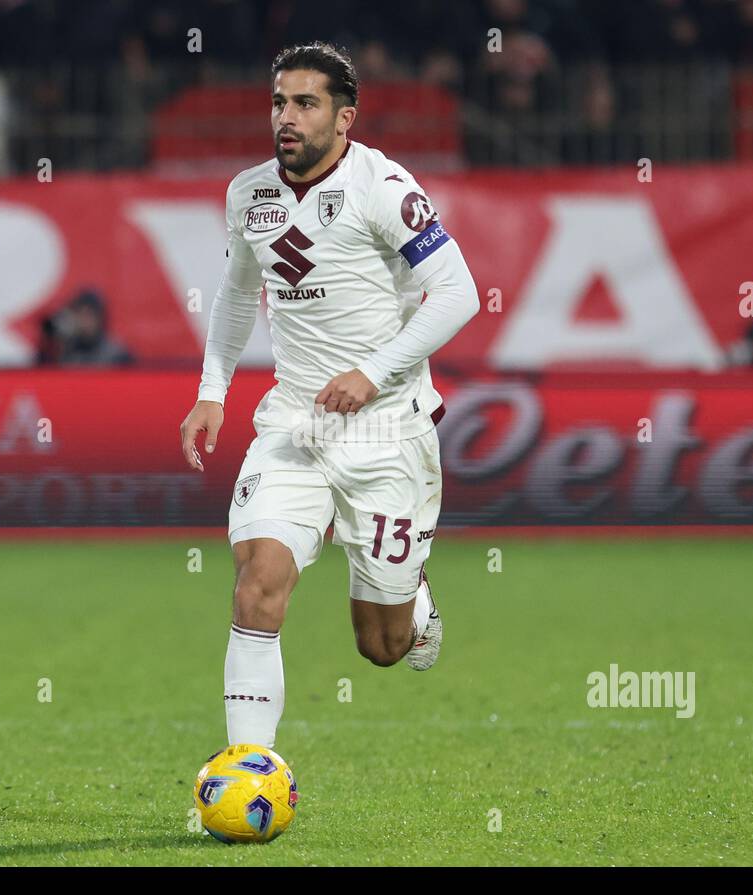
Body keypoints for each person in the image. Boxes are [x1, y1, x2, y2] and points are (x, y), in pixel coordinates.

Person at [178, 42, 480, 750]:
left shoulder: (385, 187)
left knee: (381, 645)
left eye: (305, 104)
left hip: (385, 430)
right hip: (294, 422)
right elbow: (237, 292)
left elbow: (458, 293)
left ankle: (415, 594)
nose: (287, 117)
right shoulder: (248, 193)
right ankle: (249, 766)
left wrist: (373, 372)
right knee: (257, 583)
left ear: (344, 118)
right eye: (279, 101)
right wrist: (211, 390)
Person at [34, 287, 132, 366]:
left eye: (89, 315)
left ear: (100, 319)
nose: (84, 321)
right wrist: (50, 341)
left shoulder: (115, 354)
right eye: (80, 314)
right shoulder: (65, 349)